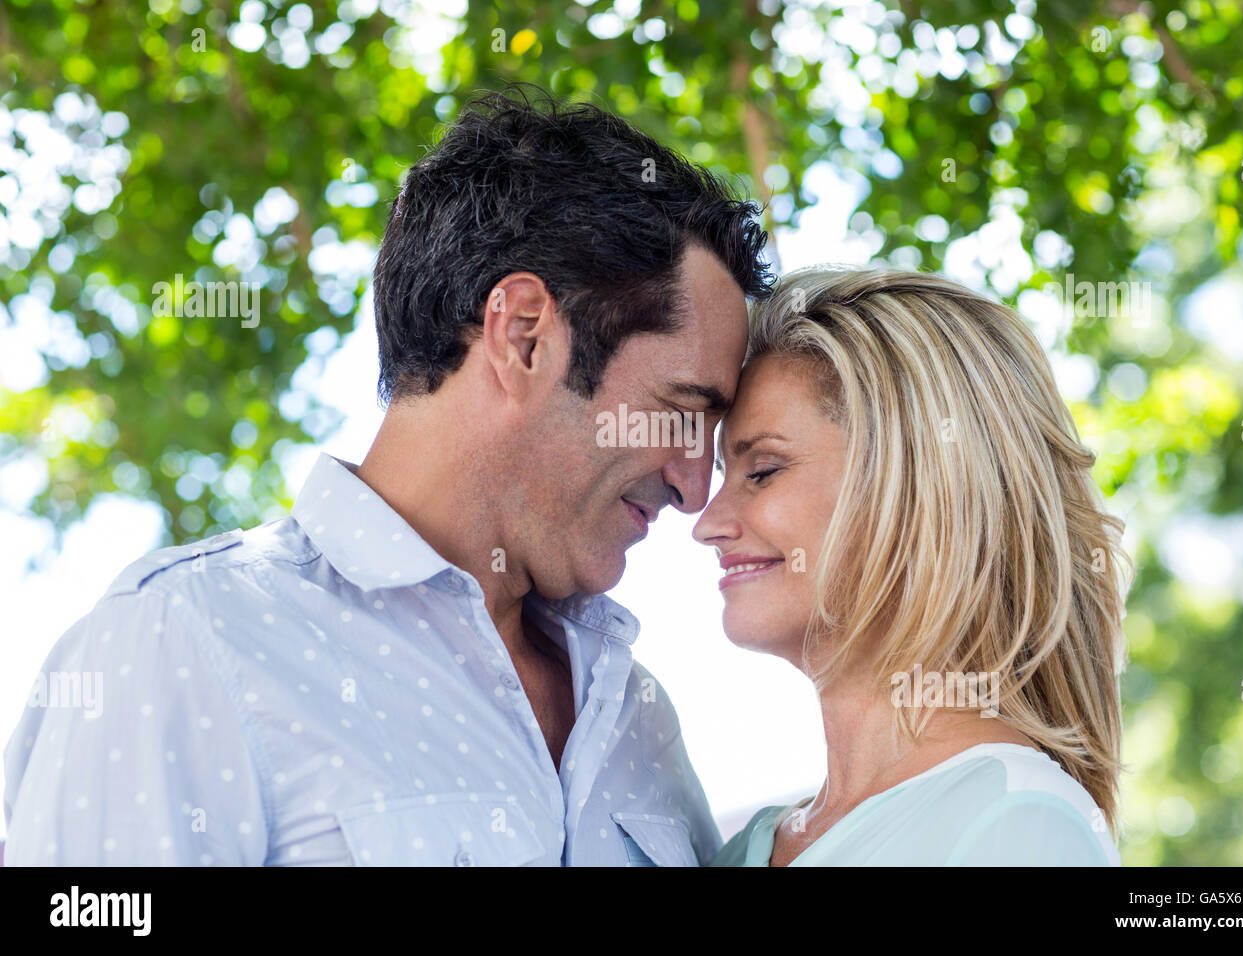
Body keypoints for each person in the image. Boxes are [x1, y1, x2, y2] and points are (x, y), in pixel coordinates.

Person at [2, 86, 772, 866]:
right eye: (682, 410)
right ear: (526, 336)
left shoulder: (638, 718)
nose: (693, 488)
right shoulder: (180, 643)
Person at [697, 268, 1128, 866]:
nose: (706, 523)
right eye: (724, 476)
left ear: (919, 487)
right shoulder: (748, 846)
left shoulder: (1017, 825)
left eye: (763, 471)